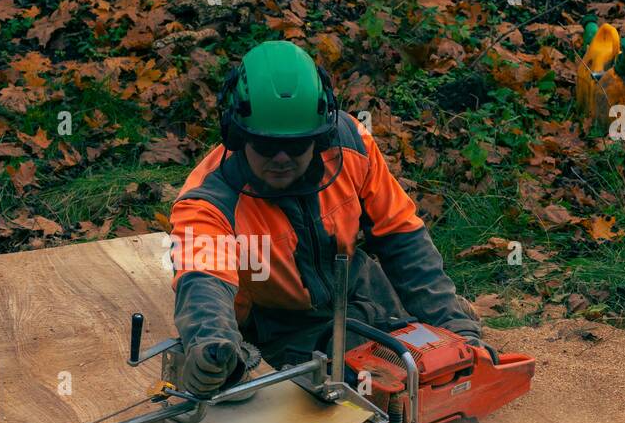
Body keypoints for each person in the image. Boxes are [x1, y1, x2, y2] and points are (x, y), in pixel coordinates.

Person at [169, 39, 483, 397]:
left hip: (362, 290)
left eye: (298, 144)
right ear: (238, 135)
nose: (282, 158)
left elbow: (402, 238)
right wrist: (211, 345)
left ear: (320, 135)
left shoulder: (352, 145)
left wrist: (453, 327)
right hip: (283, 325)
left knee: (441, 368)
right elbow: (203, 282)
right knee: (375, 393)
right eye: (268, 146)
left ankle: (451, 317)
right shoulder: (209, 201)